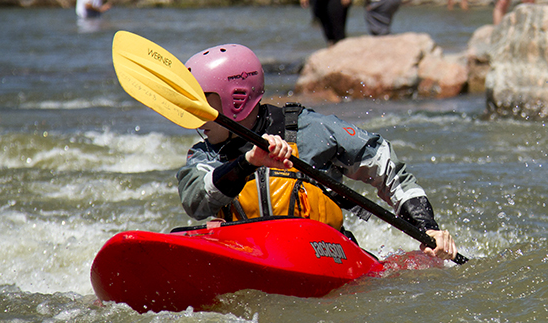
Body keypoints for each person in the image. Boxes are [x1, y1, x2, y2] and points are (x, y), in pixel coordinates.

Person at [176, 43, 457, 260]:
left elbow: (384, 165)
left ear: (235, 99)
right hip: (247, 252)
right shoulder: (205, 154)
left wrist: (426, 227)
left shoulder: (310, 130)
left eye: (204, 104)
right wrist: (248, 162)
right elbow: (195, 202)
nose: (197, 119)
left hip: (323, 254)